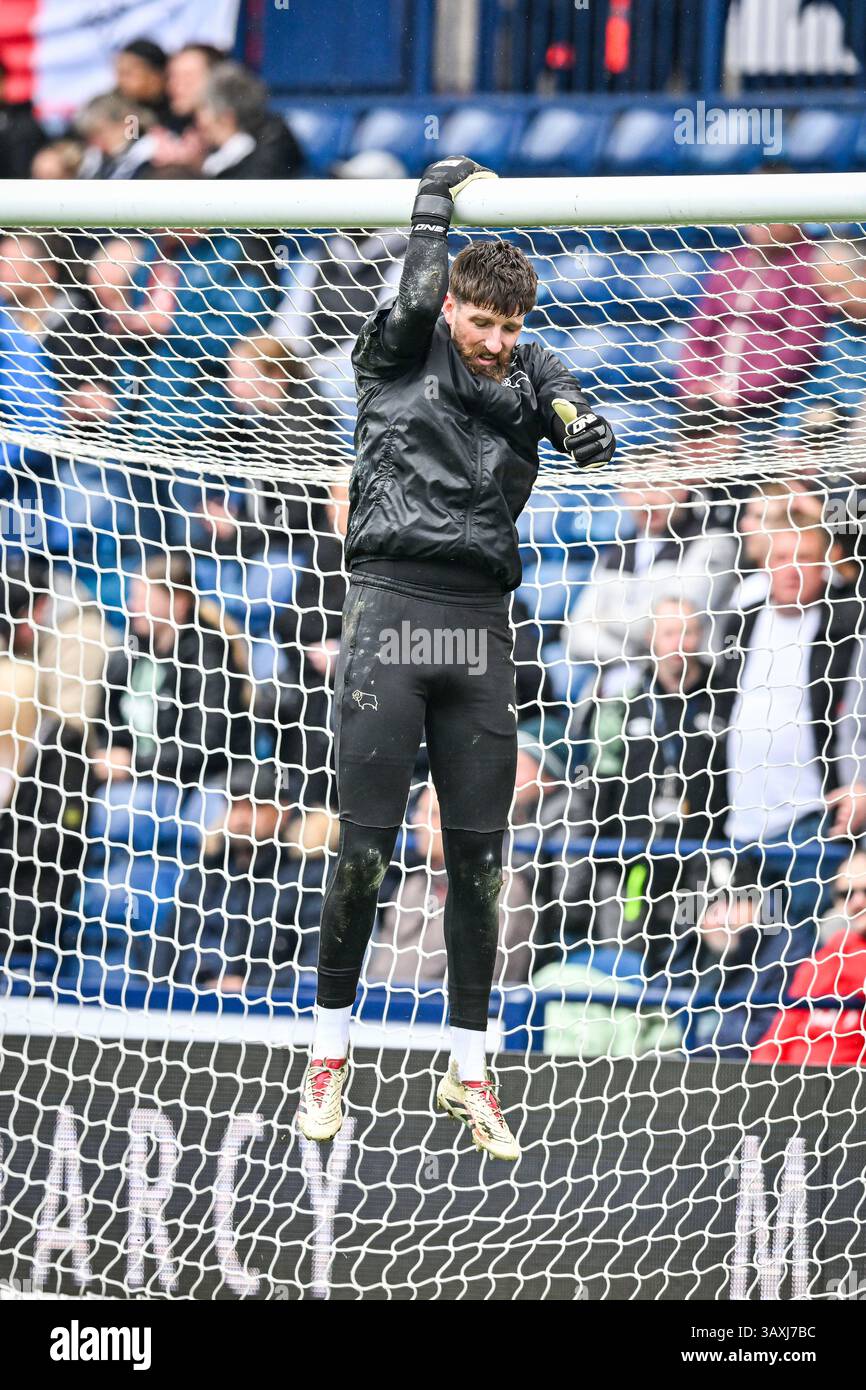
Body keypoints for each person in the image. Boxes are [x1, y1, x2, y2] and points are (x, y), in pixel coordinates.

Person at [296, 155, 615, 1161]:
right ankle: (328, 1055)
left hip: (477, 625)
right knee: (364, 847)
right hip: (391, 613)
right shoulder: (394, 351)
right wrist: (429, 209)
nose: (495, 341)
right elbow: (419, 294)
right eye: (482, 323)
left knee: (479, 859)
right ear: (449, 313)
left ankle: (468, 1069)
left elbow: (568, 410)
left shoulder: (529, 369)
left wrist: (580, 426)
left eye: (510, 326)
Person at [752, 850, 866, 1067]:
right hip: (795, 1086)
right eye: (847, 894)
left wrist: (845, 944)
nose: (858, 902)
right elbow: (780, 1034)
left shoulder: (840, 950)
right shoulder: (820, 962)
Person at [196, 63, 303, 180]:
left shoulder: (270, 152)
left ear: (226, 117)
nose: (198, 118)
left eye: (203, 108)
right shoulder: (221, 156)